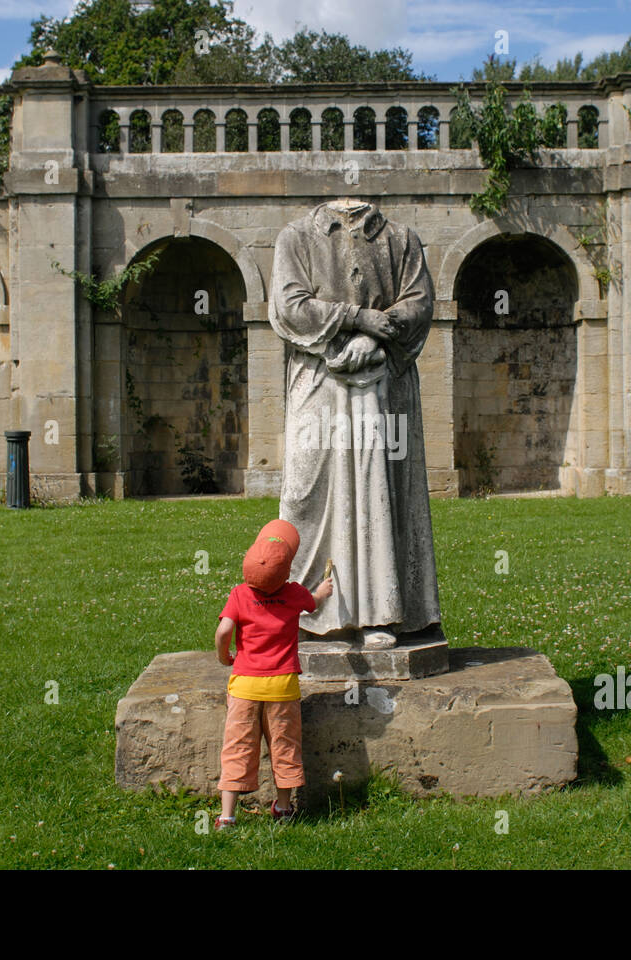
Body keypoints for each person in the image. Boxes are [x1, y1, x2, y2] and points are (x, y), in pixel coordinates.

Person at [269, 198, 442, 650]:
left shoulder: (400, 239)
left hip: (384, 377)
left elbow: (419, 303)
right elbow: (289, 306)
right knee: (305, 491)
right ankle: (306, 612)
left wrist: (373, 338)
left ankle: (381, 613)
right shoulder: (296, 237)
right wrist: (355, 318)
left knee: (379, 490)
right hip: (318, 379)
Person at [215, 519, 332, 829]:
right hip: (282, 687)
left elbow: (224, 628)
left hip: (244, 688)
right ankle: (283, 807)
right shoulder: (293, 594)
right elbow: (314, 602)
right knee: (284, 746)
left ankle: (227, 815)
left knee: (237, 746)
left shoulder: (239, 594)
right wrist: (322, 590)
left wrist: (224, 655)